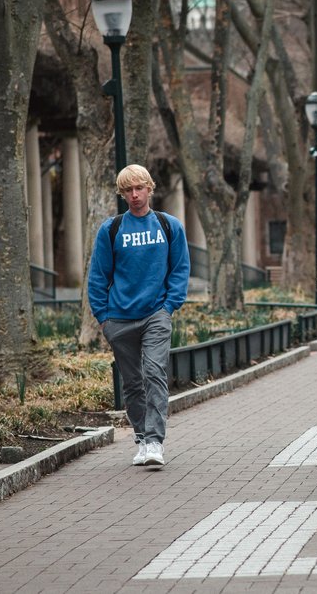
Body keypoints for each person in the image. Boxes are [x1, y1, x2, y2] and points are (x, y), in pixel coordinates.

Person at [87, 164, 190, 468]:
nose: (134, 195)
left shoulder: (168, 226)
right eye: (128, 190)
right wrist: (103, 318)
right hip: (118, 319)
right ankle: (142, 438)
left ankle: (156, 441)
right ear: (122, 193)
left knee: (154, 373)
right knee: (132, 383)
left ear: (149, 188)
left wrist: (169, 305)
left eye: (139, 188)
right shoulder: (112, 229)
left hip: (156, 314)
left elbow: (180, 269)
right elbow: (98, 276)